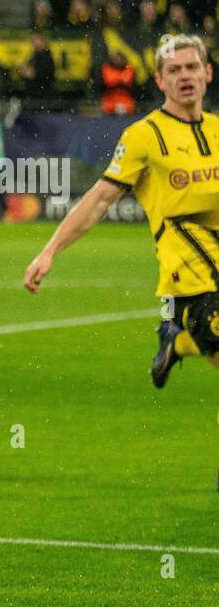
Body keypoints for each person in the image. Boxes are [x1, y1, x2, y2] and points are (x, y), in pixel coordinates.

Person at [24, 34, 219, 396]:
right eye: (174, 70)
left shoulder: (217, 129)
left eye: (192, 67)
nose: (185, 76)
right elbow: (99, 199)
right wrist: (49, 251)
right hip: (190, 281)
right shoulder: (143, 136)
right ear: (160, 81)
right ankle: (177, 338)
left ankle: (176, 344)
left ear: (208, 73)